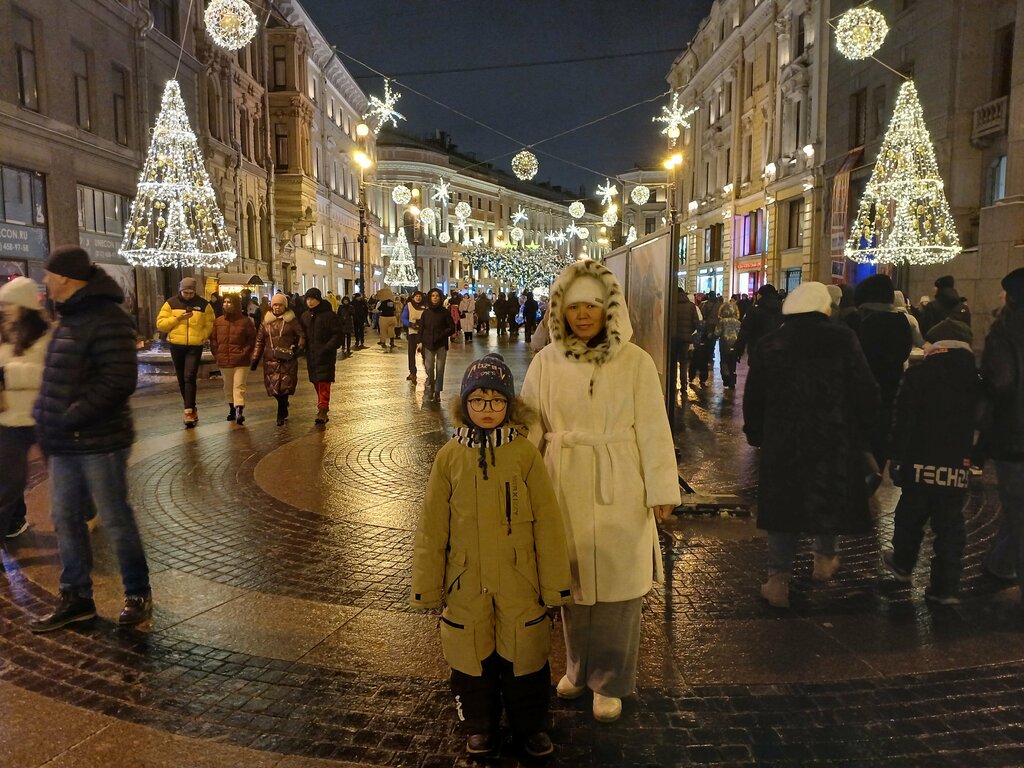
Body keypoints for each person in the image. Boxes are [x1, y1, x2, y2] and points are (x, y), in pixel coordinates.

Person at [521, 260, 680, 723]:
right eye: (574, 307)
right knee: (571, 583)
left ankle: (610, 680)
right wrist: (521, 482)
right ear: (561, 312)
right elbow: (531, 424)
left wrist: (660, 488)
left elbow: (653, 428)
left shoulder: (635, 362)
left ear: (608, 309)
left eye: (591, 305)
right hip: (562, 480)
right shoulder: (545, 361)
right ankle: (577, 668)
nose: (583, 314)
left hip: (620, 482)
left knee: (617, 588)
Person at [411, 354, 571, 757]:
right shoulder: (449, 456)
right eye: (478, 400)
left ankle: (530, 725)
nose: (487, 410)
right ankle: (479, 725)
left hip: (520, 583)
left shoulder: (524, 455)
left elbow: (548, 525)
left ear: (509, 406)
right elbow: (433, 528)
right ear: (464, 405)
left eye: (496, 401)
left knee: (526, 661)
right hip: (466, 584)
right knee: (471, 663)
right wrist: (428, 589)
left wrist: (554, 587)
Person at [29, 246, 152, 631]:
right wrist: (45, 418)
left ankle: (137, 593)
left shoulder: (107, 317)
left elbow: (118, 380)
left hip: (100, 439)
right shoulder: (69, 317)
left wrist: (72, 415)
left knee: (115, 518)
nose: (44, 281)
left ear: (66, 277)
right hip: (65, 440)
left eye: (49, 274)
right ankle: (76, 596)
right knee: (65, 518)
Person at [742, 282, 879, 608]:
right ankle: (824, 559)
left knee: (783, 507)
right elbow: (866, 388)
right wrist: (866, 427)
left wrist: (756, 433)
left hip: (783, 440)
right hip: (831, 437)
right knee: (826, 496)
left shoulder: (770, 343)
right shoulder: (843, 339)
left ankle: (778, 580)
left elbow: (754, 394)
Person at [883, 318, 979, 605]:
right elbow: (984, 420)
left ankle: (902, 564)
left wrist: (897, 456)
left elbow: (904, 419)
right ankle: (945, 586)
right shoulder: (975, 379)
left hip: (920, 460)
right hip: (955, 464)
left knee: (910, 516)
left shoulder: (919, 374)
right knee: (950, 525)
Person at [979, 267, 1024, 600]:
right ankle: (999, 563)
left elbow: (1002, 382)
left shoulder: (1005, 331)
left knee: (1018, 508)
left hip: (1014, 435)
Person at [0, 277, 50, 543]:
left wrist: (8, 375)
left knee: (66, 479)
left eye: (10, 303)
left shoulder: (46, 335)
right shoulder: (4, 332)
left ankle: (84, 518)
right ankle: (11, 525)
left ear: (25, 305)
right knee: (8, 486)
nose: (5, 308)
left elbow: (49, 375)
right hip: (8, 419)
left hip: (42, 416)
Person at [847, 274, 912, 471]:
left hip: (865, 398)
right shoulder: (902, 322)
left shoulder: (866, 326)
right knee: (879, 447)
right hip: (891, 395)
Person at [155, 277, 215, 428]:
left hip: (194, 346)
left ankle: (188, 411)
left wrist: (203, 335)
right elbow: (161, 324)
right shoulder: (171, 303)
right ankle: (191, 407)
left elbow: (210, 322)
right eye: (185, 292)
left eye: (191, 292)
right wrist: (178, 318)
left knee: (189, 376)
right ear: (180, 290)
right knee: (181, 378)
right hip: (176, 345)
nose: (188, 295)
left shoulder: (203, 304)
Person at [252, 293, 305, 426]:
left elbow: (301, 336)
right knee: (274, 388)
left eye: (280, 305)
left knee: (284, 387)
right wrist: (255, 358)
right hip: (270, 359)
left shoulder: (291, 320)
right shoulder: (266, 322)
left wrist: (298, 349)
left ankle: (281, 413)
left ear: (285, 306)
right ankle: (283, 404)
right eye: (275, 305)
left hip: (287, 358)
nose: (277, 308)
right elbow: (259, 341)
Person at [208, 293, 257, 426]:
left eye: (230, 302)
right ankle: (232, 408)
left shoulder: (245, 321)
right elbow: (213, 340)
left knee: (239, 385)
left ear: (236, 304)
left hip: (241, 361)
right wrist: (217, 353)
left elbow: (252, 340)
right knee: (228, 387)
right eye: (225, 302)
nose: (226, 304)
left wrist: (245, 353)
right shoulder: (218, 322)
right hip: (224, 360)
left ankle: (239, 410)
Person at [301, 288, 341, 424]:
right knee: (316, 382)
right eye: (308, 299)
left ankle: (323, 409)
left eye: (312, 299)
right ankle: (322, 405)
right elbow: (302, 334)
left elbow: (337, 334)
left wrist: (327, 347)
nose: (310, 302)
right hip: (311, 355)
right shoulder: (305, 316)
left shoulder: (329, 316)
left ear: (318, 299)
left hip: (325, 355)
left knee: (324, 382)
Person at [419, 288, 457, 402]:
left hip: (441, 344)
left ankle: (437, 391)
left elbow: (451, 328)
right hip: (428, 344)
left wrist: (442, 334)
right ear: (430, 298)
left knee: (440, 369)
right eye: (433, 296)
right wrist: (420, 341)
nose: (435, 298)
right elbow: (421, 328)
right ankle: (430, 386)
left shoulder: (444, 312)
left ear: (440, 298)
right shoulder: (426, 313)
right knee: (429, 368)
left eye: (437, 296)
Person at [734, 284, 782, 363]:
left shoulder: (754, 310)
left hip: (757, 351)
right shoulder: (783, 309)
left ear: (760, 295)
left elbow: (745, 331)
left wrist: (739, 348)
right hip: (778, 352)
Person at [671, 288, 700, 393]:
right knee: (684, 362)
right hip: (686, 339)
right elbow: (696, 323)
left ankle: (672, 384)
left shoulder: (672, 305)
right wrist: (688, 332)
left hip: (673, 338)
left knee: (672, 361)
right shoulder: (691, 306)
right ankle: (684, 385)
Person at [715, 298, 741, 389]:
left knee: (724, 361)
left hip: (724, 343)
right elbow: (740, 333)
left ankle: (725, 376)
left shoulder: (722, 321)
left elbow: (717, 333)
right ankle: (732, 382)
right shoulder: (738, 322)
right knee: (733, 362)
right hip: (735, 344)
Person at [401, 290, 425, 381]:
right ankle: (412, 372)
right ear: (413, 297)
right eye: (416, 296)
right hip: (412, 332)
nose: (418, 298)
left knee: (425, 353)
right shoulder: (409, 306)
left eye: (420, 296)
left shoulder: (425, 306)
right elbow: (404, 318)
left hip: (424, 333)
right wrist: (410, 324)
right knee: (411, 353)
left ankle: (428, 370)